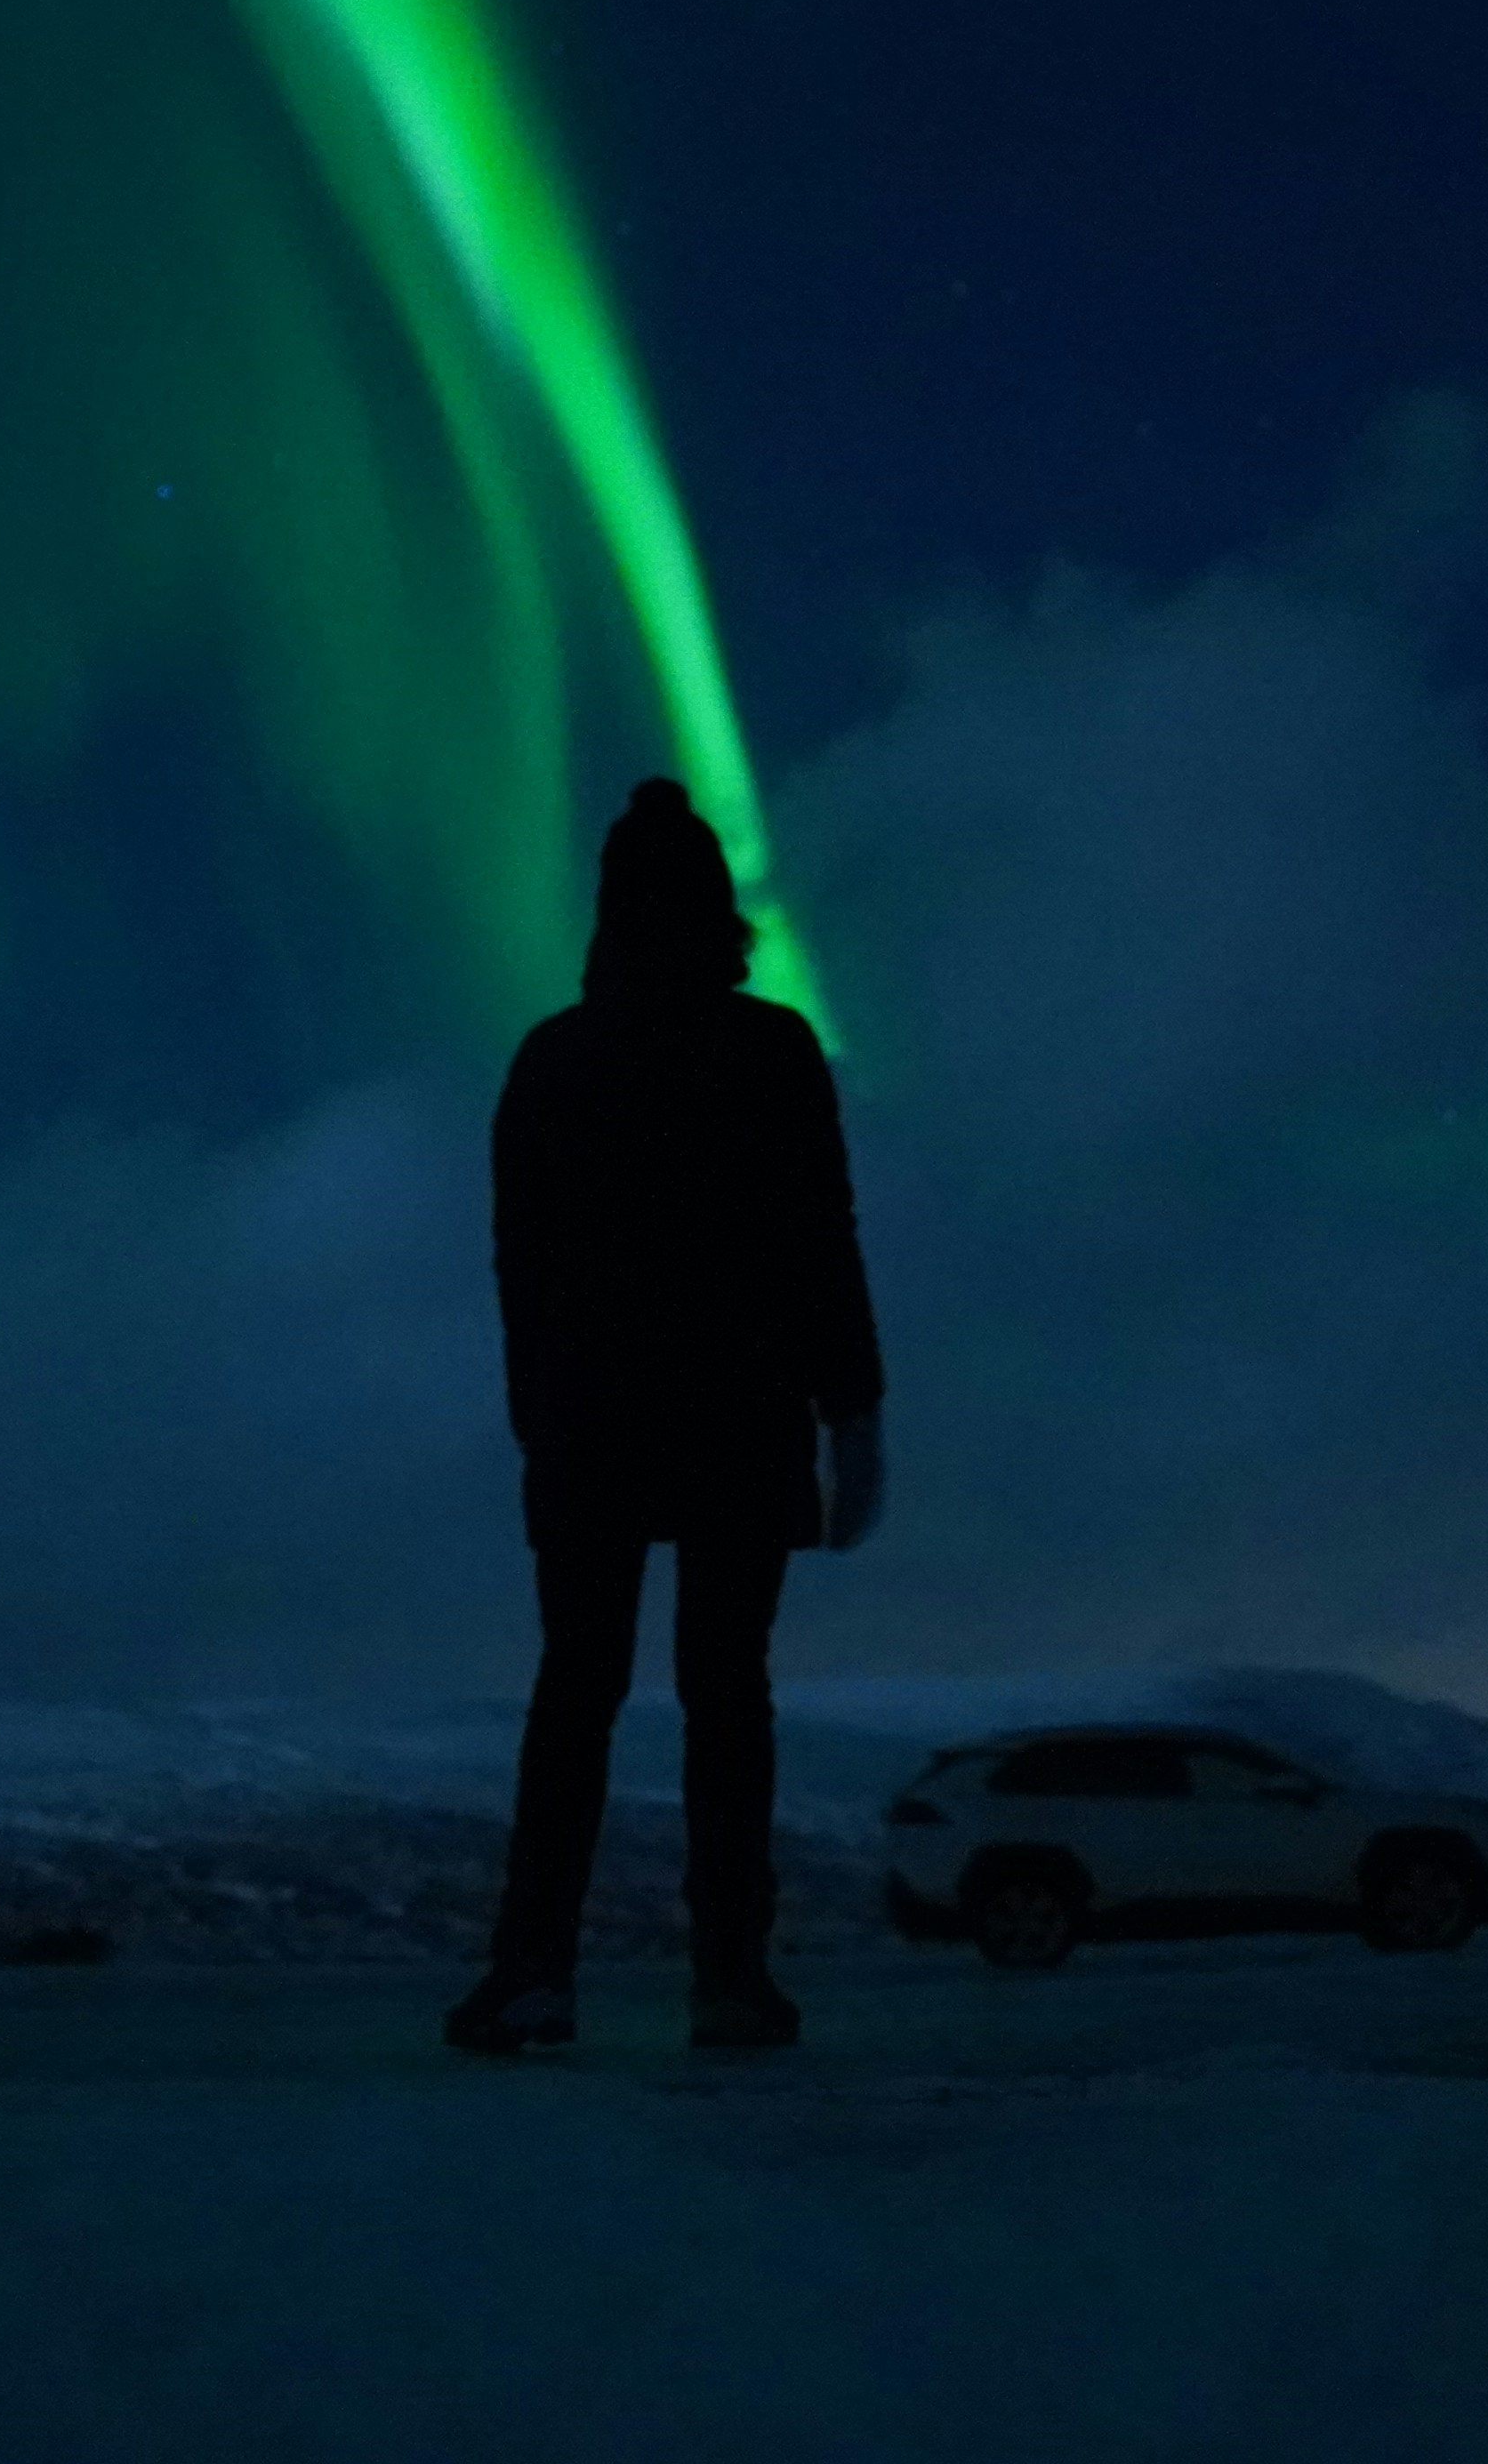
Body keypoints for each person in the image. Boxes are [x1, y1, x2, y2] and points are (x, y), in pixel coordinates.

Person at [442, 777, 887, 2058]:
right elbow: (822, 1242)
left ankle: (537, 1970)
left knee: (578, 1693)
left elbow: (521, 1265)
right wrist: (852, 1413)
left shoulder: (554, 1062)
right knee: (727, 1696)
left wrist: (537, 1414)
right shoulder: (773, 1053)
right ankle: (729, 1978)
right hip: (742, 1420)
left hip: (592, 1425)